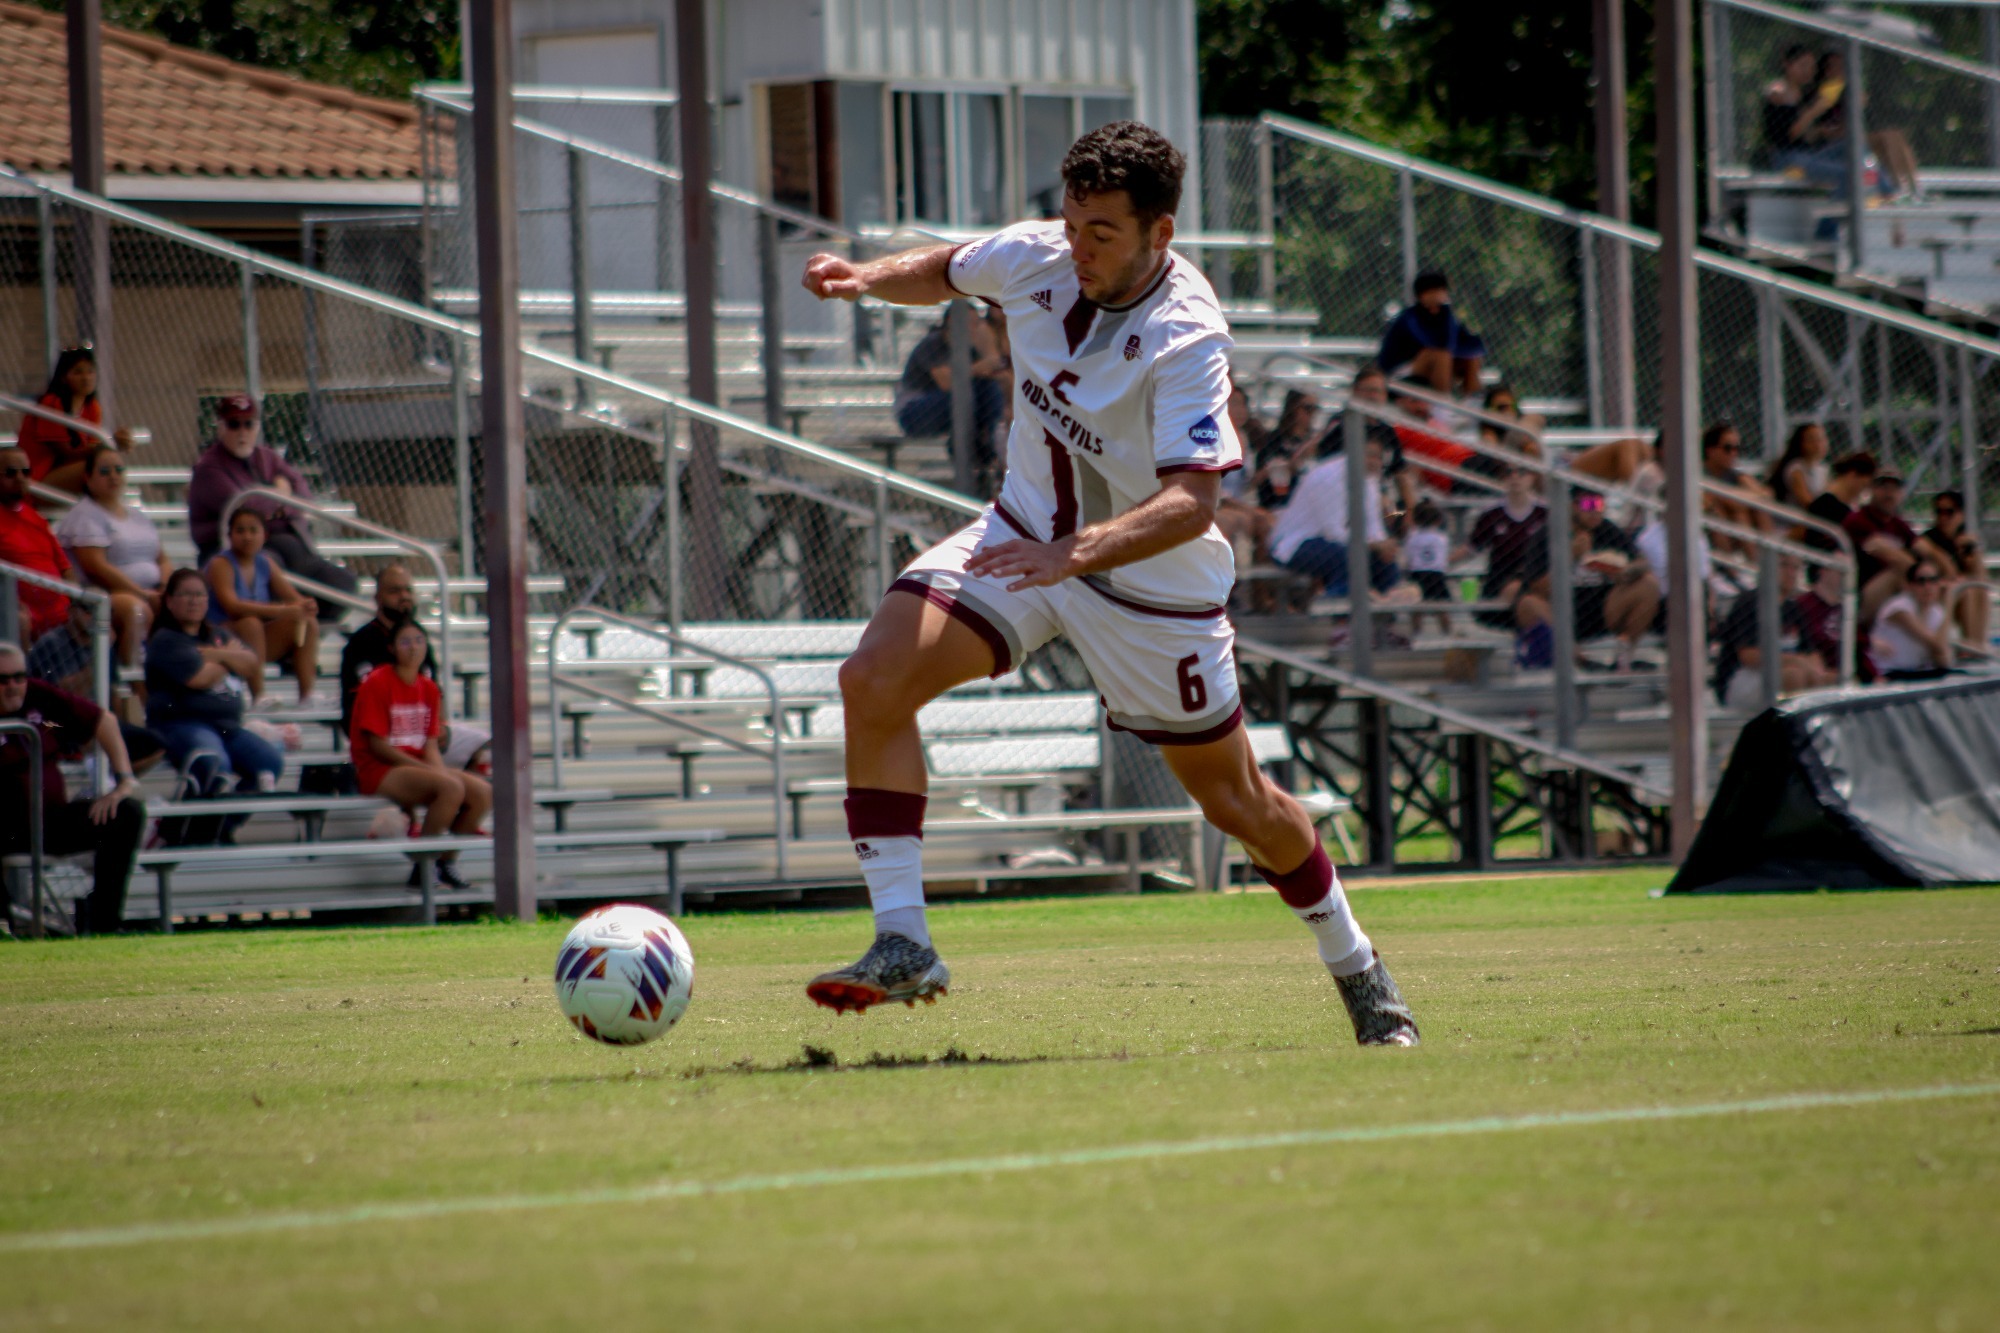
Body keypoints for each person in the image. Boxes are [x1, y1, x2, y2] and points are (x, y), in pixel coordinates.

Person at [799, 119, 1419, 1044]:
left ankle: (1359, 966)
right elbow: (950, 268)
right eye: (1072, 221)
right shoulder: (1039, 256)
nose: (1078, 247)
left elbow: (1193, 500)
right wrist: (867, 277)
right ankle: (903, 940)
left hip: (1149, 585)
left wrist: (1077, 554)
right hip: (1021, 540)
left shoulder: (1186, 333)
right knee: (873, 676)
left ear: (1159, 234)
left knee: (1237, 801)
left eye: (1104, 233)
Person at [0, 641, 145, 935]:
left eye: (19, 677)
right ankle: (5, 928)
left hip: (49, 819)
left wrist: (123, 780)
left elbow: (103, 719)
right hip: (5, 825)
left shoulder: (38, 694)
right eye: (2, 681)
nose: (13, 686)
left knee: (125, 814)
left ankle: (103, 923)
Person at [185, 394, 356, 618]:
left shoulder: (266, 456)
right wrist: (282, 494)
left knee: (342, 583)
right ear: (221, 428)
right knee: (267, 569)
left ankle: (303, 632)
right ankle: (283, 631)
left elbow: (303, 494)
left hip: (290, 546)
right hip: (235, 549)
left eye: (248, 424)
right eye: (234, 424)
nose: (242, 432)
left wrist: (275, 502)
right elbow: (244, 509)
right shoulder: (209, 467)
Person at [349, 616, 488, 891]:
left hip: (415, 765)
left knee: (482, 793)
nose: (413, 647)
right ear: (392, 648)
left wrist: (434, 769)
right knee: (449, 787)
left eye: (419, 640)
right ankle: (421, 868)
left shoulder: (429, 687)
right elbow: (379, 746)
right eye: (405, 642)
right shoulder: (378, 682)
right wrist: (430, 772)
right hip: (379, 767)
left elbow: (431, 745)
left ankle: (445, 863)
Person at [144, 569, 285, 810]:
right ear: (169, 601)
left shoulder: (217, 635)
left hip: (226, 727)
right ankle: (193, 832)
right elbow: (198, 678)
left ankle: (222, 828)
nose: (194, 600)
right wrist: (231, 657)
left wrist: (217, 655)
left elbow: (251, 664)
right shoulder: (165, 640)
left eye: (199, 594)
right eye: (186, 594)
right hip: (182, 724)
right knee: (214, 764)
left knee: (269, 763)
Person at [340, 565, 490, 773]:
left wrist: (440, 725)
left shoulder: (418, 638)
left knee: (487, 748)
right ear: (378, 598)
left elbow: (435, 692)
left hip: (423, 733)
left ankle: (464, 802)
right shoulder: (362, 642)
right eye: (394, 591)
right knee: (444, 782)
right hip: (385, 737)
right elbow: (362, 709)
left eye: (408, 590)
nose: (404, 596)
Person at [25, 598, 168, 776]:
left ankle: (115, 781)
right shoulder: (52, 643)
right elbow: (65, 696)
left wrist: (117, 725)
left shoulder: (104, 643)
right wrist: (98, 658)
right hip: (59, 723)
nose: (96, 616)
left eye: (105, 612)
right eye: (88, 609)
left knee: (156, 744)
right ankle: (110, 780)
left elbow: (113, 691)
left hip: (99, 722)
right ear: (71, 611)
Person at [55, 444, 168, 667]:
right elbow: (95, 567)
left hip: (149, 591)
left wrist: (165, 587)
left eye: (119, 470)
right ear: (88, 477)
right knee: (136, 610)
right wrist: (142, 594)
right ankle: (131, 678)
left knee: (184, 603)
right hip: (103, 595)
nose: (114, 476)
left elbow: (162, 558)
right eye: (105, 471)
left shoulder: (137, 514)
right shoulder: (85, 515)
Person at [1265, 437, 1410, 602]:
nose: (1375, 462)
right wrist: (1375, 545)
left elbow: (1374, 527)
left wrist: (1384, 546)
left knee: (1386, 563)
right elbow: (1333, 532)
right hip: (1294, 543)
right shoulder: (1328, 478)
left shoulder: (1369, 480)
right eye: (1370, 455)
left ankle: (1383, 617)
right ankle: (1339, 613)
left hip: (1334, 543)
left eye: (1378, 457)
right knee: (1349, 557)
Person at [204, 507, 319, 703]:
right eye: (240, 531)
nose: (247, 537)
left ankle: (307, 695)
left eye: (253, 530)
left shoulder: (265, 562)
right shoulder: (220, 564)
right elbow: (232, 606)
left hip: (254, 641)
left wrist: (305, 606)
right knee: (251, 622)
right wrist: (282, 610)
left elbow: (293, 598)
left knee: (308, 623)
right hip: (221, 639)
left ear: (264, 535)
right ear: (230, 535)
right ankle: (259, 696)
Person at [894, 307, 1010, 491]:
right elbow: (947, 382)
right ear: (952, 325)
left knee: (987, 387)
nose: (974, 329)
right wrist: (986, 362)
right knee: (974, 389)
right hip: (915, 412)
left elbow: (998, 376)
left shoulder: (972, 350)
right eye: (969, 324)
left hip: (958, 410)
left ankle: (989, 443)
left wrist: (989, 353)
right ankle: (988, 447)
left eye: (976, 324)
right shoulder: (934, 343)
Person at [1711, 558, 1837, 710]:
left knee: (1834, 679)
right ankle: (1787, 729)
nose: (1790, 574)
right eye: (1784, 566)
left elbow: (1812, 653)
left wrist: (1816, 671)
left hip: (1783, 672)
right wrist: (1795, 661)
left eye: (1795, 569)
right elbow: (1748, 656)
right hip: (1743, 678)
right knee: (1794, 675)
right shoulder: (1750, 602)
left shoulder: (1793, 608)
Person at [15, 346, 133, 494]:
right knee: (101, 468)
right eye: (78, 372)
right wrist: (110, 445)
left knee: (107, 467)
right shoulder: (51, 403)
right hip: (37, 477)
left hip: (65, 473)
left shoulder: (92, 407)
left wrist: (114, 444)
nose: (86, 378)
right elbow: (66, 454)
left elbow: (92, 447)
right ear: (63, 377)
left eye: (90, 371)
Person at [1469, 464, 1554, 665]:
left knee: (1536, 588)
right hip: (1500, 578)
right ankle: (1531, 642)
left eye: (1521, 472)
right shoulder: (1491, 514)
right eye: (1508, 472)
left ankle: (1539, 643)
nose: (1515, 478)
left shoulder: (1545, 513)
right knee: (1516, 590)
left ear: (1532, 478)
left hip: (1535, 575)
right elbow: (1471, 548)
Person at [1570, 489, 1663, 669]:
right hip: (1570, 607)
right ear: (1574, 506)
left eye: (1600, 504)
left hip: (1605, 604)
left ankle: (1624, 657)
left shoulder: (1607, 530)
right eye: (1588, 504)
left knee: (1648, 585)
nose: (1595, 511)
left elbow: (1641, 562)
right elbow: (1537, 585)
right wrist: (1571, 554)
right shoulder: (1555, 532)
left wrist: (1626, 571)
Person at [1317, 365, 1416, 518]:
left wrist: (1411, 511)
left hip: (1387, 504)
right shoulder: (1341, 425)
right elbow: (1328, 469)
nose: (1374, 396)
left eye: (1379, 392)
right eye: (1369, 390)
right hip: (1348, 501)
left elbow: (1400, 473)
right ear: (1355, 392)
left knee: (1424, 517)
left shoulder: (1387, 430)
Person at [0, 444, 72, 643]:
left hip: (61, 614)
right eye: (10, 473)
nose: (20, 478)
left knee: (103, 620)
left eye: (25, 472)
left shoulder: (37, 519)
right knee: (17, 619)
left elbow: (66, 568)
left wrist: (81, 601)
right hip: (19, 614)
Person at [1376, 271, 1485, 397]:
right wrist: (1447, 317)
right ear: (1422, 295)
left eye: (1442, 290)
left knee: (1471, 358)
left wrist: (1447, 316)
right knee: (1441, 356)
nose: (1440, 294)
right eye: (1434, 291)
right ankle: (1443, 406)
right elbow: (1436, 344)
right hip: (1398, 372)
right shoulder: (1410, 318)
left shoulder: (1446, 317)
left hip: (1428, 368)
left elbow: (1476, 346)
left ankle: (1472, 403)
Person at [1842, 467, 1919, 622]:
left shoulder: (1899, 525)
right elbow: (1888, 553)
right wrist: (1923, 576)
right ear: (1872, 489)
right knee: (1900, 572)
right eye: (1883, 487)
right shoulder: (1858, 520)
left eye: (1894, 489)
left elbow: (1926, 549)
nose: (1889, 493)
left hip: (1894, 594)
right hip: (1861, 596)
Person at [1916, 490, 1987, 654]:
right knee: (1966, 590)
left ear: (1961, 515)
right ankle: (1970, 648)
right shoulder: (1929, 540)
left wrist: (1975, 552)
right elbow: (1950, 573)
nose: (1943, 518)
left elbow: (1981, 580)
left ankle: (1977, 644)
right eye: (1939, 512)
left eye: (1949, 512)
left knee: (1978, 590)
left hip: (1952, 593)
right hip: (1932, 593)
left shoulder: (1962, 540)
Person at [1870, 560, 1953, 680]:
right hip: (1889, 674)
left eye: (1933, 580)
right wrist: (1949, 604)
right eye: (1921, 581)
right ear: (1909, 586)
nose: (1928, 587)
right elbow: (1938, 646)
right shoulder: (1899, 608)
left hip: (1916, 672)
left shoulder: (1936, 612)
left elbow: (1942, 658)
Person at [1249, 389, 1319, 510]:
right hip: (1278, 502)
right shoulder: (1273, 440)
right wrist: (1290, 465)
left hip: (1312, 502)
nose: (1312, 414)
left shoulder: (1316, 441)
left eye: (1315, 409)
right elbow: (1261, 474)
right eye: (1307, 408)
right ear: (1293, 408)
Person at [1403, 498, 1454, 637]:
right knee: (1442, 608)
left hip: (1417, 574)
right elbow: (1443, 560)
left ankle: (1416, 633)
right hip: (1436, 575)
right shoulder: (1442, 538)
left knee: (1417, 608)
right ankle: (1447, 633)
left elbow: (1409, 557)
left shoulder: (1412, 537)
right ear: (1438, 520)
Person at [1763, 422, 1830, 514]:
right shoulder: (1796, 468)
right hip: (1798, 520)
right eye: (1812, 440)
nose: (1818, 444)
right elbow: (1806, 502)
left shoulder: (1824, 469)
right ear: (1801, 443)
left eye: (1821, 439)